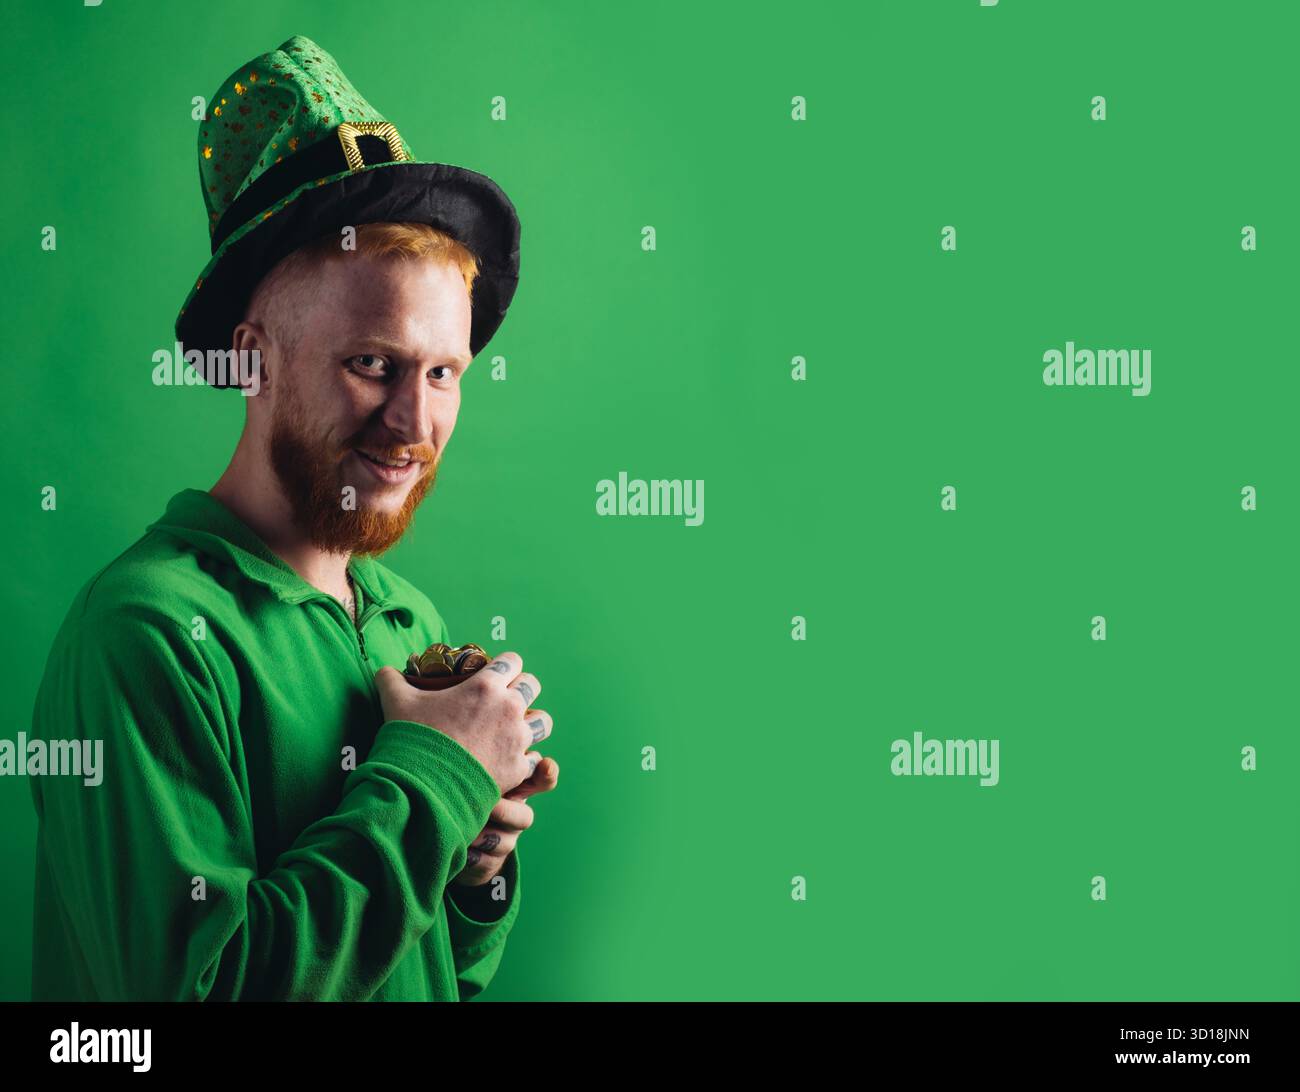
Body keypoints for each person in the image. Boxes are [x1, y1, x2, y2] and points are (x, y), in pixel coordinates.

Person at [28, 34, 555, 1001]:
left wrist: (471, 868)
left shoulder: (409, 620)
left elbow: (433, 977)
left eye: (443, 375)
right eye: (373, 365)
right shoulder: (146, 635)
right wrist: (435, 776)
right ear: (254, 360)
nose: (414, 423)